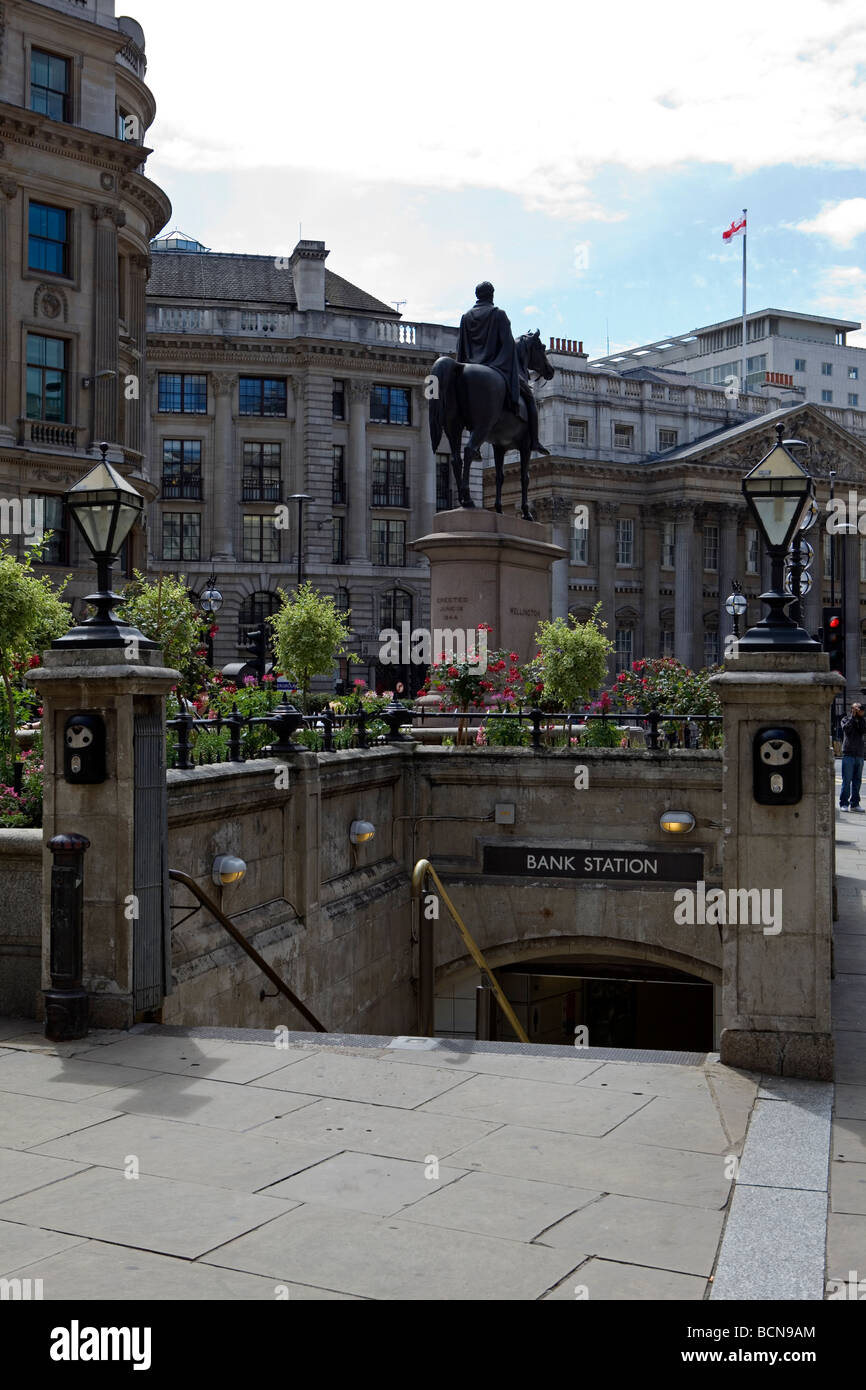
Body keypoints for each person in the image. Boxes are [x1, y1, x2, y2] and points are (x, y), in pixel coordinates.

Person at [456, 282, 548, 455]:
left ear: (477, 295)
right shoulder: (498, 314)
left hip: (468, 367)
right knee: (529, 398)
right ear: (492, 295)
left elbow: (461, 346)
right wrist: (506, 368)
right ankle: (534, 441)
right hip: (496, 366)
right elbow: (508, 347)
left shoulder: (465, 317)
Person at [839, 702, 866, 811]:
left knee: (857, 781)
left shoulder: (861, 720)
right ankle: (843, 803)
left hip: (859, 754)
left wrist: (858, 719)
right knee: (847, 780)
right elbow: (846, 730)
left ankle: (855, 804)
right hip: (848, 754)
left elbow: (863, 730)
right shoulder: (845, 719)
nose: (860, 711)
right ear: (853, 709)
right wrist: (853, 717)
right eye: (858, 709)